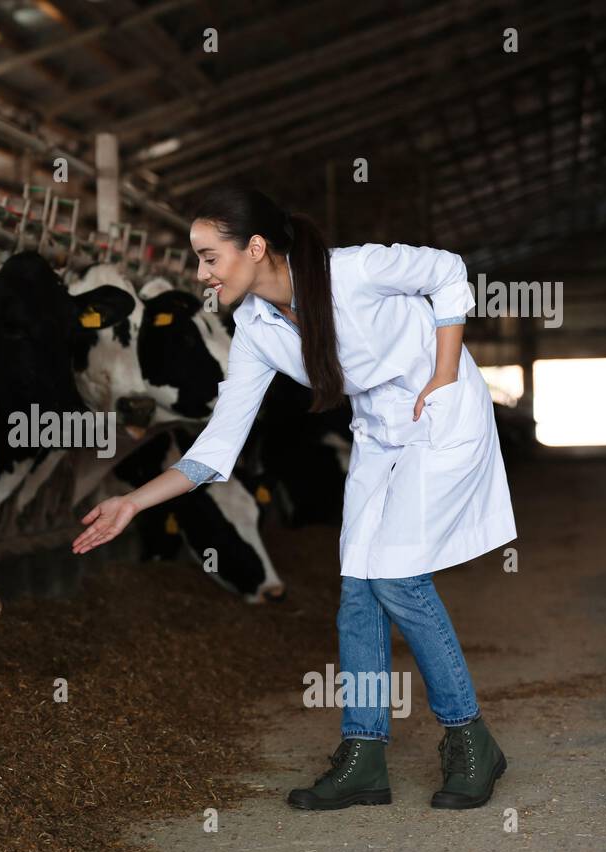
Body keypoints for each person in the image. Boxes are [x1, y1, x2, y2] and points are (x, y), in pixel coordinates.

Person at [70, 183, 516, 811]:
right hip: (378, 431)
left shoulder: (354, 270)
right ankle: (364, 757)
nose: (200, 274)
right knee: (358, 590)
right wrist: (132, 503)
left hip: (439, 413)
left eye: (208, 257)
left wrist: (444, 373)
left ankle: (471, 741)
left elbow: (446, 272)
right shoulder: (254, 328)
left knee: (397, 580)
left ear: (254, 248)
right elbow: (217, 446)